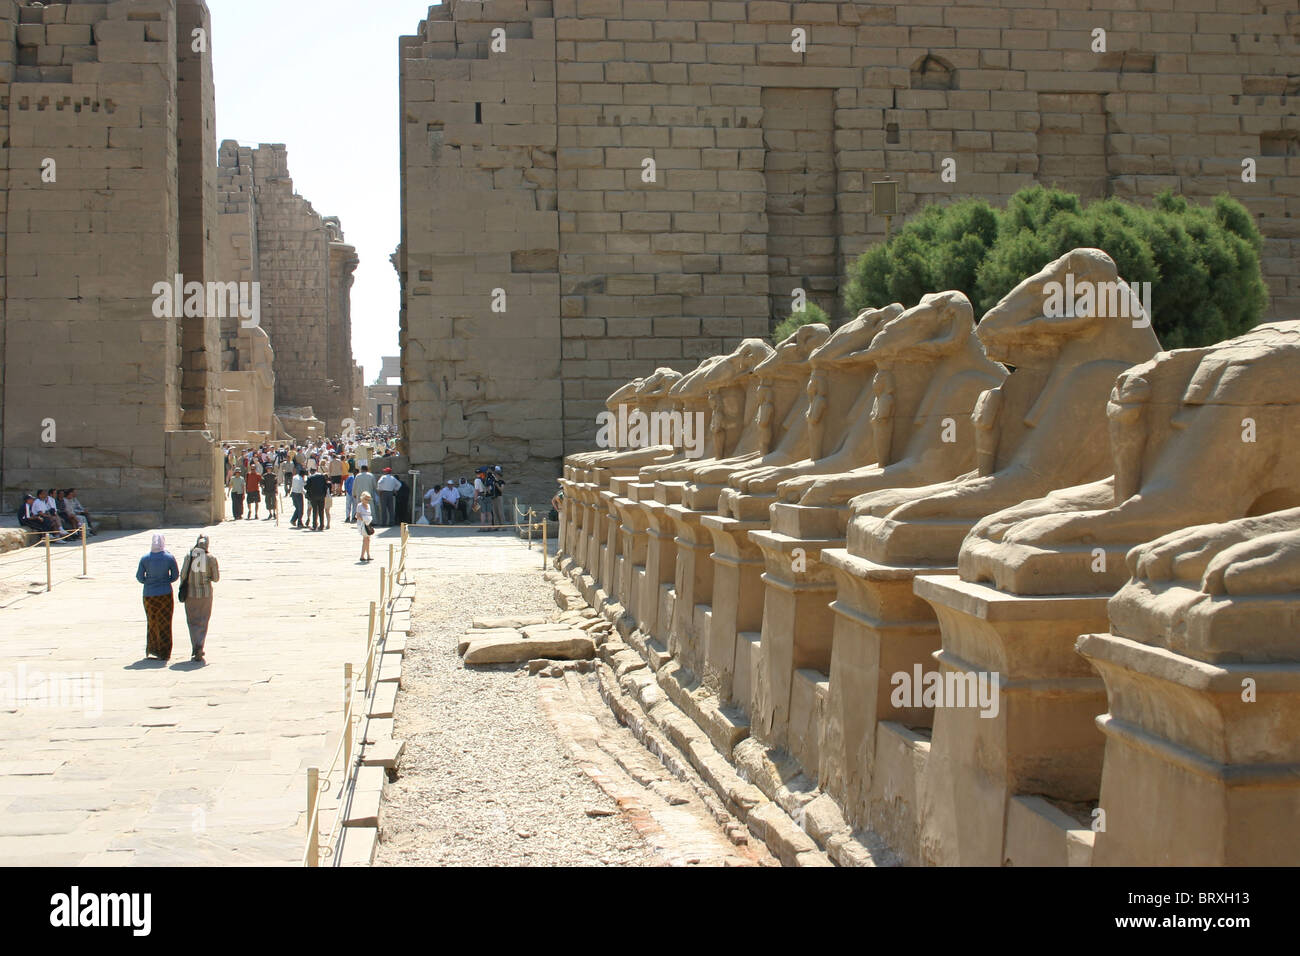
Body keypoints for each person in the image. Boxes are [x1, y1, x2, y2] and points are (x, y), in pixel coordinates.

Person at [136, 533, 179, 660]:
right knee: (165, 622)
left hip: (149, 595)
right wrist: (165, 581)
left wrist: (149, 582)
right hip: (165, 594)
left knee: (152, 621)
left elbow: (139, 577)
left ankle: (152, 649)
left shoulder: (144, 559)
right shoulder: (169, 558)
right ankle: (164, 652)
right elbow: (175, 576)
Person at [178, 535, 219, 663]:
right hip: (205, 594)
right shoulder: (211, 558)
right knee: (203, 619)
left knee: (192, 620)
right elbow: (216, 578)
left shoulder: (188, 556)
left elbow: (183, 574)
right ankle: (200, 644)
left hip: (191, 593)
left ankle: (195, 644)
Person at [305, 466, 330, 531]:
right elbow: (326, 486)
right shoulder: (322, 476)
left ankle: (314, 525)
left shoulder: (310, 477)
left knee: (315, 511)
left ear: (311, 472)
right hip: (321, 496)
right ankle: (321, 525)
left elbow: (306, 487)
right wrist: (324, 494)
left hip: (313, 496)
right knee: (321, 511)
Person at [356, 491, 374, 562]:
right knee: (365, 539)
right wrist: (364, 520)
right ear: (362, 498)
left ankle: (367, 555)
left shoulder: (368, 505)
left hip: (368, 523)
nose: (367, 501)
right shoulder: (359, 505)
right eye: (366, 499)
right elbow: (357, 516)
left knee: (368, 539)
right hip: (362, 524)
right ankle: (363, 556)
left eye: (368, 499)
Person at [473, 468, 492, 533]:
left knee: (482, 513)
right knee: (489, 512)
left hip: (481, 496)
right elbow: (490, 489)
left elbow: (476, 491)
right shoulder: (488, 479)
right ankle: (490, 527)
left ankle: (482, 528)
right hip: (488, 496)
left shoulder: (477, 480)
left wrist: (475, 500)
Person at [490, 465, 507, 529]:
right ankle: (496, 526)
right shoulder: (492, 481)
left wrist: (497, 485)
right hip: (493, 497)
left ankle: (503, 526)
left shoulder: (501, 482)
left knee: (500, 512)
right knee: (494, 512)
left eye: (496, 474)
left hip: (499, 497)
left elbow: (501, 490)